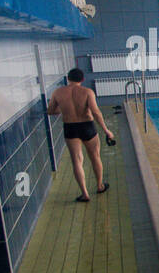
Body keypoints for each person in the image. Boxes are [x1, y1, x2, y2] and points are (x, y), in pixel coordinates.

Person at [47, 68, 114, 202]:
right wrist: (107, 130)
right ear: (82, 80)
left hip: (70, 128)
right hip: (87, 126)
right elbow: (96, 112)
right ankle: (100, 186)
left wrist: (64, 108)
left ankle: (85, 194)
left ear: (68, 78)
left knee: (77, 161)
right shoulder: (87, 92)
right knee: (95, 157)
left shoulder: (57, 93)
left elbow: (50, 111)